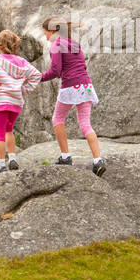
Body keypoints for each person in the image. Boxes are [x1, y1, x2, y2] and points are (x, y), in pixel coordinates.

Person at [40, 15, 105, 175]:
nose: (45, 36)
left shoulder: (56, 45)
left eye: (46, 32)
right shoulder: (74, 43)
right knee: (85, 124)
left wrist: (38, 77)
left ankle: (65, 156)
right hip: (86, 85)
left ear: (53, 31)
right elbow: (81, 64)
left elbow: (55, 70)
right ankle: (98, 160)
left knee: (58, 119)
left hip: (70, 86)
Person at [0, 30, 41, 173]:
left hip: (1, 101)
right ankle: (12, 159)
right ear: (15, 45)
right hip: (16, 102)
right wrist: (24, 89)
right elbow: (36, 75)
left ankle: (1, 166)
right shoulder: (22, 62)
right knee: (9, 130)